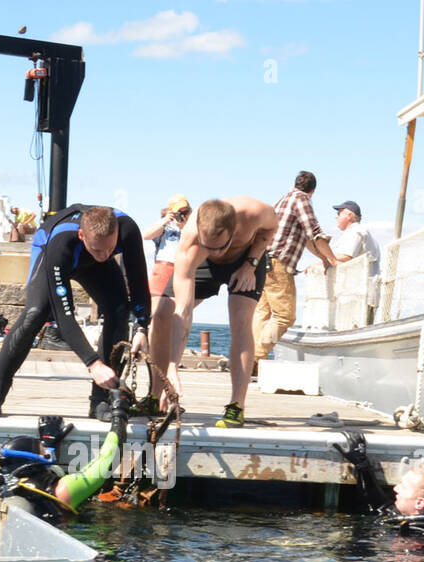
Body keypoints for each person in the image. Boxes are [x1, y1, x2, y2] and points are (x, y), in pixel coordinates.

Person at [0, 204, 149, 420]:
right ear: (81, 235)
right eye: (99, 250)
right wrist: (92, 363)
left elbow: (138, 280)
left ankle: (100, 401)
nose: (106, 255)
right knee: (36, 312)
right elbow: (64, 315)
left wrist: (143, 326)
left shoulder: (127, 231)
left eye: (110, 249)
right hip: (51, 252)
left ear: (116, 233)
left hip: (92, 262)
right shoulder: (61, 243)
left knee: (119, 311)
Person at [148, 196, 278, 427]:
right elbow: (184, 311)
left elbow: (271, 228)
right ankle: (156, 395)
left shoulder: (254, 212)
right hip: (201, 264)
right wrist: (172, 367)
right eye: (209, 246)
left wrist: (251, 264)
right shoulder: (190, 243)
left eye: (220, 246)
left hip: (246, 261)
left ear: (235, 230)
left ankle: (236, 406)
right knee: (162, 313)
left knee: (240, 320)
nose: (216, 253)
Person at [0, 387, 133, 524]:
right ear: (37, 462)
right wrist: (119, 412)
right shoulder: (62, 491)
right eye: (44, 450)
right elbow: (106, 459)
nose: (49, 453)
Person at [253, 172, 339, 364]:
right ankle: (256, 355)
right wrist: (332, 259)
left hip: (261, 260)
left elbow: (306, 239)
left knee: (262, 312)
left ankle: (252, 362)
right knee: (285, 317)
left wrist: (321, 257)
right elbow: (315, 234)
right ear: (313, 190)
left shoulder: (283, 200)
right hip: (278, 263)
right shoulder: (302, 200)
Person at [332, 428, 424, 545]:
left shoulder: (416, 536)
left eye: (404, 486)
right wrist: (362, 464)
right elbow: (381, 506)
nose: (396, 489)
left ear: (419, 503)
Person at [332, 201, 381, 325]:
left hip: (360, 294)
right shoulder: (362, 232)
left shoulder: (356, 231)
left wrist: (323, 260)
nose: (336, 217)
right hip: (362, 293)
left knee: (356, 326)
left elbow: (346, 256)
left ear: (349, 215)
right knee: (361, 326)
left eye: (339, 213)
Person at [142, 194, 190, 298]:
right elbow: (146, 235)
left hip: (183, 268)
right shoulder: (165, 224)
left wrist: (184, 226)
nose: (182, 214)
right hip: (164, 266)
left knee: (180, 303)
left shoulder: (191, 226)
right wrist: (165, 222)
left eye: (185, 211)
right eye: (179, 211)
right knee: (156, 302)